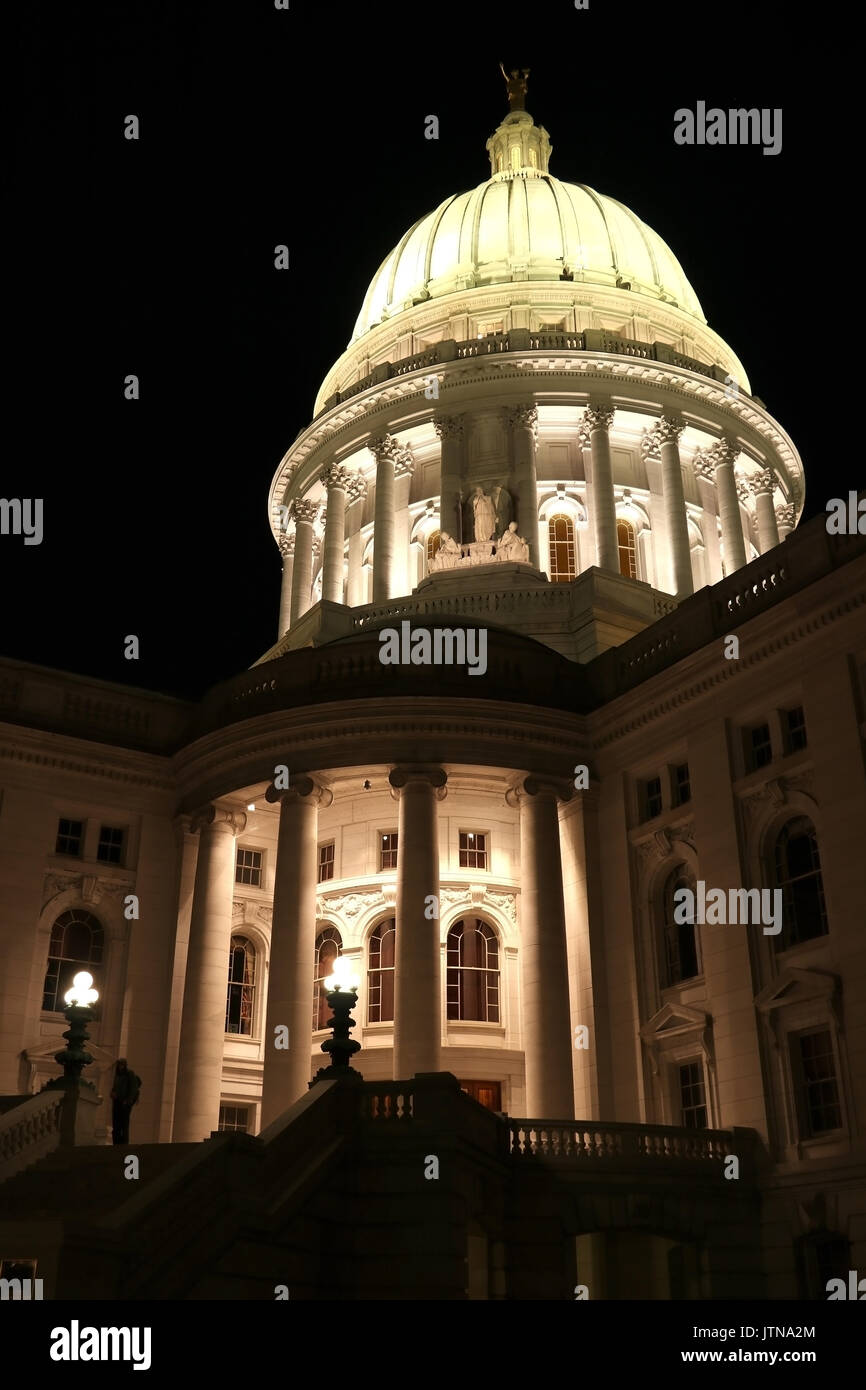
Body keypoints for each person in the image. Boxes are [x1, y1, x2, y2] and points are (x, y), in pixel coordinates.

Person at [111, 1058, 141, 1145]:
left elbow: (133, 1088)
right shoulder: (117, 1076)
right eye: (119, 1065)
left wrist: (128, 1100)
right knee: (116, 1124)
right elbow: (115, 1088)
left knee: (124, 1124)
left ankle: (124, 1143)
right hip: (117, 1102)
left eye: (122, 1065)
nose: (120, 1067)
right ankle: (116, 1143)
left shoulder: (129, 1074)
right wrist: (113, 1093)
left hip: (125, 1103)